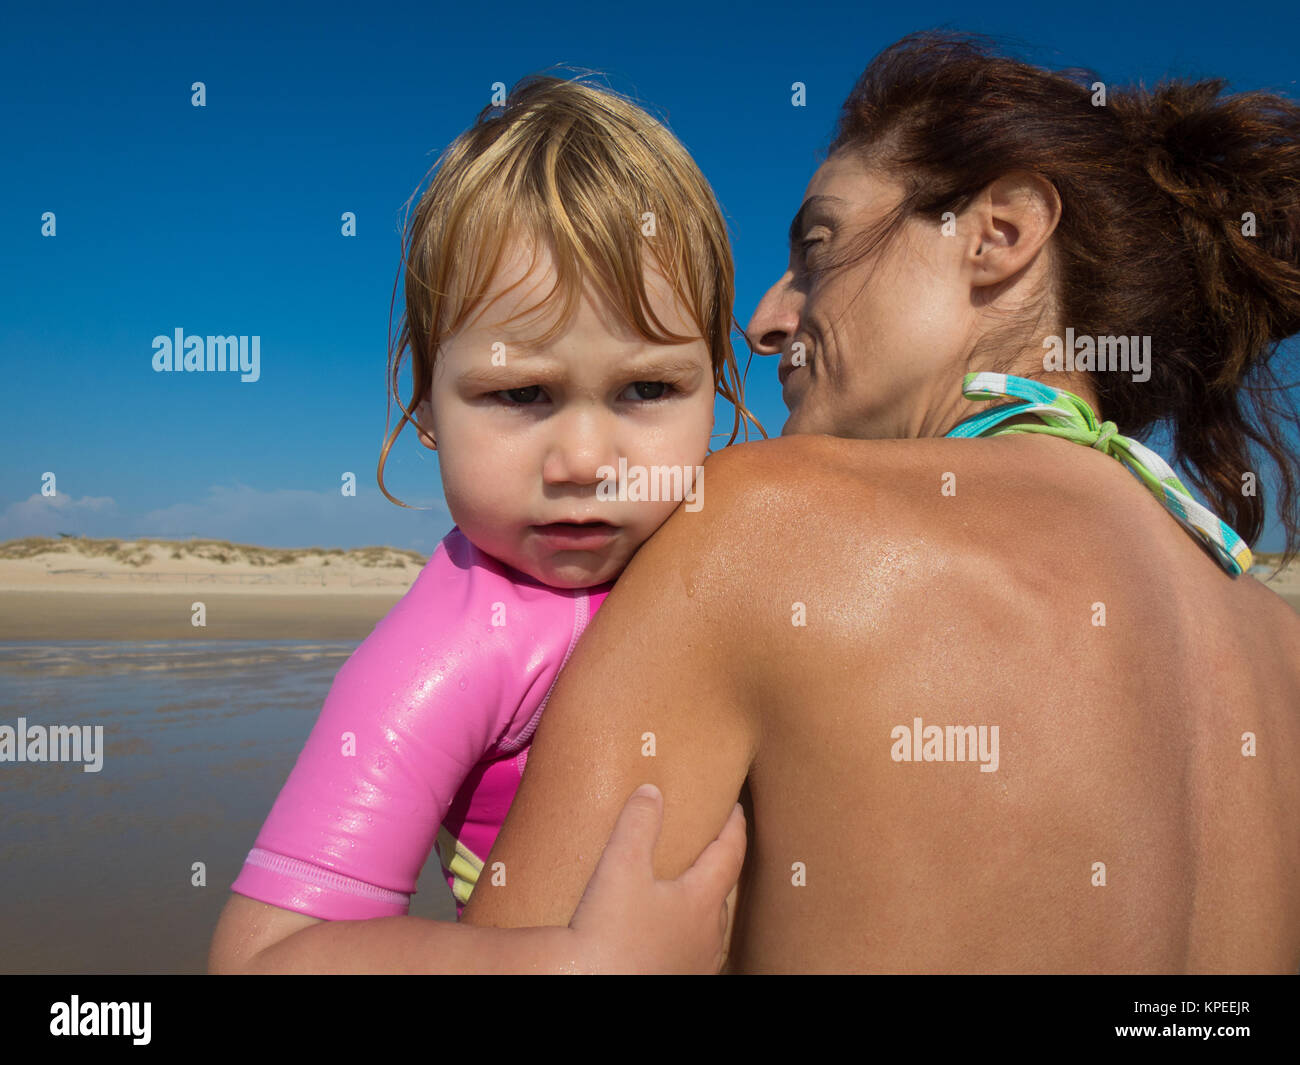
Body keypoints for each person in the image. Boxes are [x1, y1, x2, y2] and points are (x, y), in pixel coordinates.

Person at [459, 32, 1300, 973]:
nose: (766, 318)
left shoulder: (763, 523)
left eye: (816, 248)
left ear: (999, 235)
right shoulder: (1276, 639)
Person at [208, 72, 762, 974]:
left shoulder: (735, 536)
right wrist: (569, 963)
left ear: (718, 390)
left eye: (649, 387)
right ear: (424, 404)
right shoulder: (458, 642)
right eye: (520, 393)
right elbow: (264, 957)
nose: (585, 459)